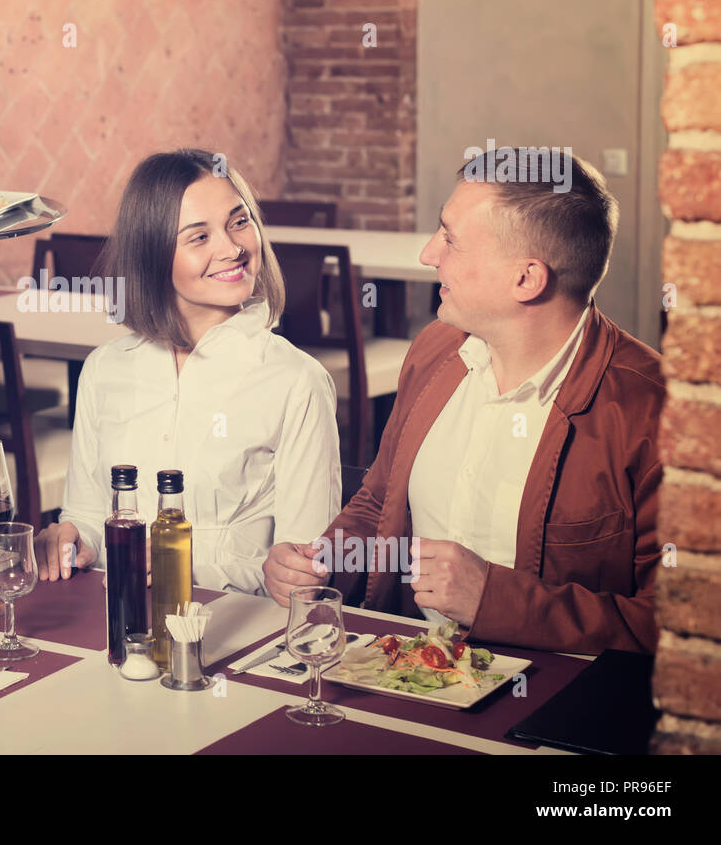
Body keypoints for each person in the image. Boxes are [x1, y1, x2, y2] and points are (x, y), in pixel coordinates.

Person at [263, 149, 662, 655]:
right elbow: (379, 499)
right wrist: (316, 564)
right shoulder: (435, 347)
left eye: (450, 239)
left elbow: (681, 631)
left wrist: (495, 600)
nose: (429, 254)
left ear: (526, 279)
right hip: (406, 675)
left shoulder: (655, 411)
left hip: (554, 713)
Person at [35, 149, 341, 595]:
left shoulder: (297, 381)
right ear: (152, 257)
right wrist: (73, 540)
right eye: (199, 237)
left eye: (239, 221)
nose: (233, 248)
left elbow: (301, 570)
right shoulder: (104, 369)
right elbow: (87, 517)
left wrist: (291, 575)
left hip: (233, 634)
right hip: (120, 620)